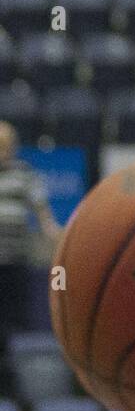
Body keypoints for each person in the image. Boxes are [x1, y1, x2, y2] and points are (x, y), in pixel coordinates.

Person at [0, 120, 62, 345]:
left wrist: (52, 231)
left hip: (16, 257)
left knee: (12, 314)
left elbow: (41, 210)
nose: (2, 152)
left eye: (5, 147)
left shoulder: (24, 174)